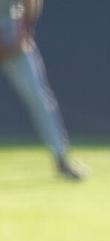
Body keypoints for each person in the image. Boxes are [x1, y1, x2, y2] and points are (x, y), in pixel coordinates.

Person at [0, 0, 83, 180]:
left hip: (11, 36)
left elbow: (31, 3)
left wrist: (23, 34)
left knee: (39, 98)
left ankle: (61, 159)